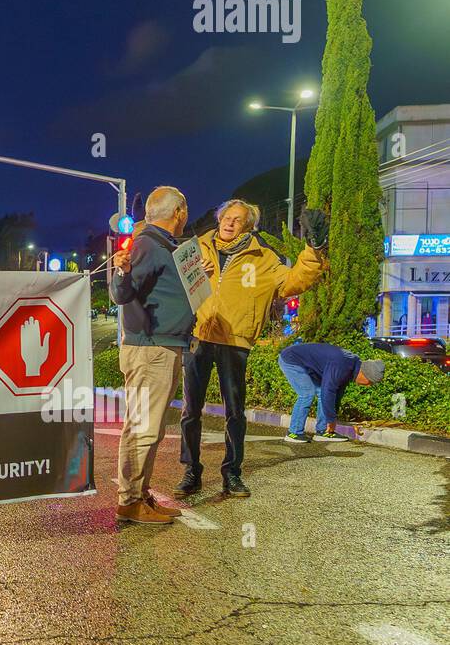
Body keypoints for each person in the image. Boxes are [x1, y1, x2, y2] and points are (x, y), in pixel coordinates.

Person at [177, 200, 327, 500]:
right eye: (226, 218)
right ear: (218, 220)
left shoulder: (263, 258)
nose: (230, 223)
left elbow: (293, 282)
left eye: (238, 220)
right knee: (190, 410)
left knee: (235, 412)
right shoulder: (196, 249)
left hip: (236, 341)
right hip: (198, 337)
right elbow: (174, 285)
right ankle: (191, 471)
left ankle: (232, 473)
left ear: (249, 227)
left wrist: (314, 249)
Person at [108, 186, 196, 525]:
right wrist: (121, 271)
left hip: (163, 347)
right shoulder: (148, 244)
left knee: (150, 427)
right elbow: (122, 292)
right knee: (143, 427)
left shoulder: (164, 246)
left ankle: (139, 494)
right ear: (179, 212)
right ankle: (129, 501)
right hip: (150, 350)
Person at [278, 342, 384, 441]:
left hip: (307, 365)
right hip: (291, 359)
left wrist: (332, 418)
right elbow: (328, 391)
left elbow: (337, 395)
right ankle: (293, 433)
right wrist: (331, 419)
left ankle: (323, 431)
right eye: (370, 382)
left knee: (320, 393)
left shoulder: (351, 367)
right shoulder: (342, 365)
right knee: (307, 393)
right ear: (364, 374)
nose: (369, 385)